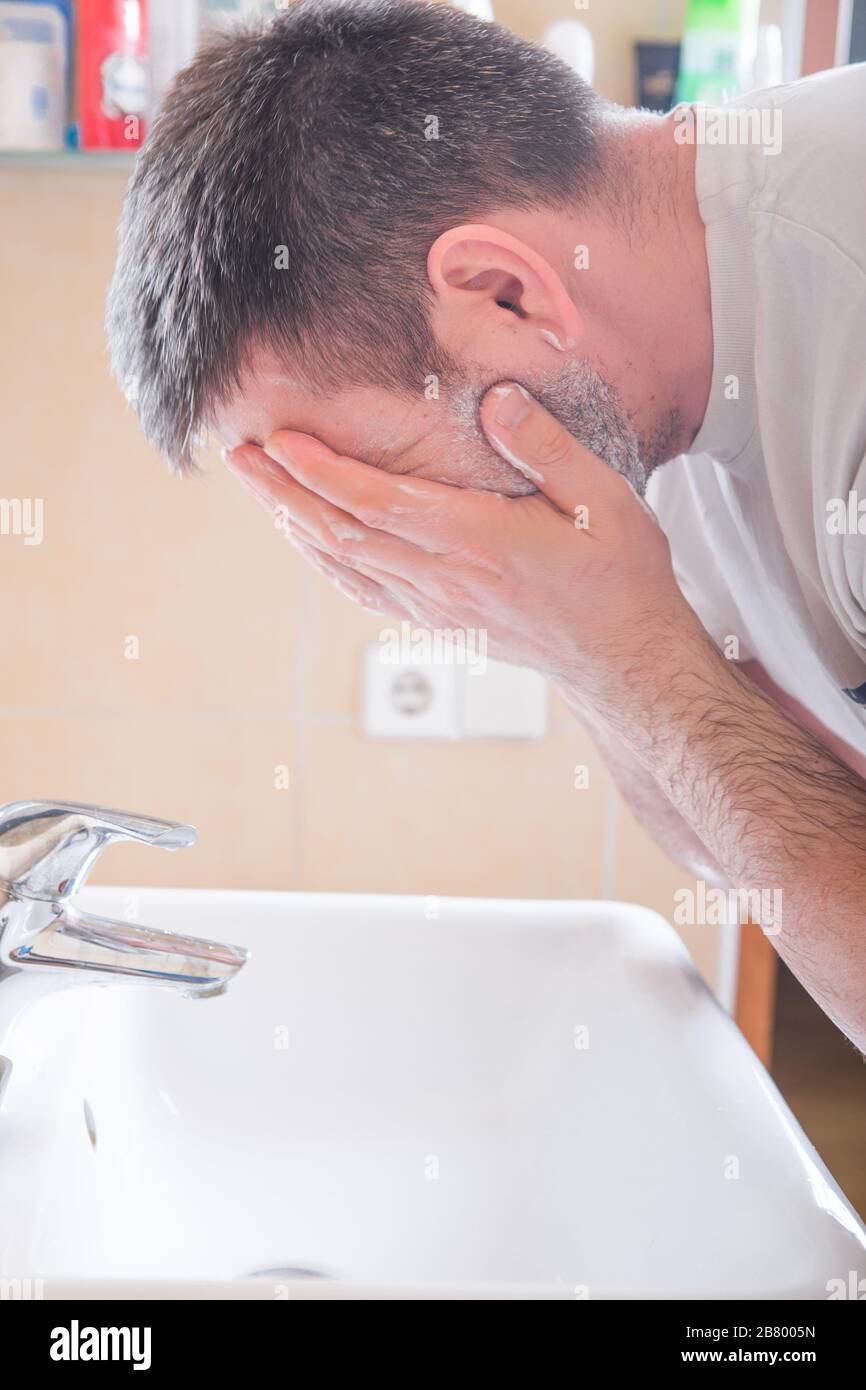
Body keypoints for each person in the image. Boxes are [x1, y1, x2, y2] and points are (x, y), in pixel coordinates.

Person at [107, 0, 866, 1050]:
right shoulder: (643, 378)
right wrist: (588, 649)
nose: (402, 539)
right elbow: (740, 842)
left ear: (503, 294)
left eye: (374, 481)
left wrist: (627, 654)